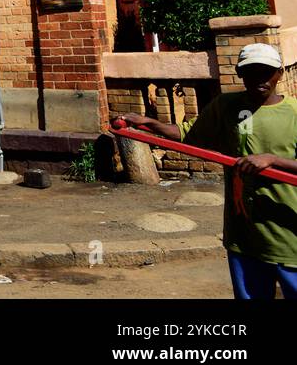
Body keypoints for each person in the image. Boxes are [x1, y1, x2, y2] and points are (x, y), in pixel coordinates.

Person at [115, 43, 297, 300]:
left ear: (279, 73)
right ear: (239, 73)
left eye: (266, 72)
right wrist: (150, 124)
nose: (259, 79)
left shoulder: (293, 113)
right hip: (243, 236)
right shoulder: (226, 106)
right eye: (252, 71)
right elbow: (188, 134)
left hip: (287, 234)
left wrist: (272, 160)